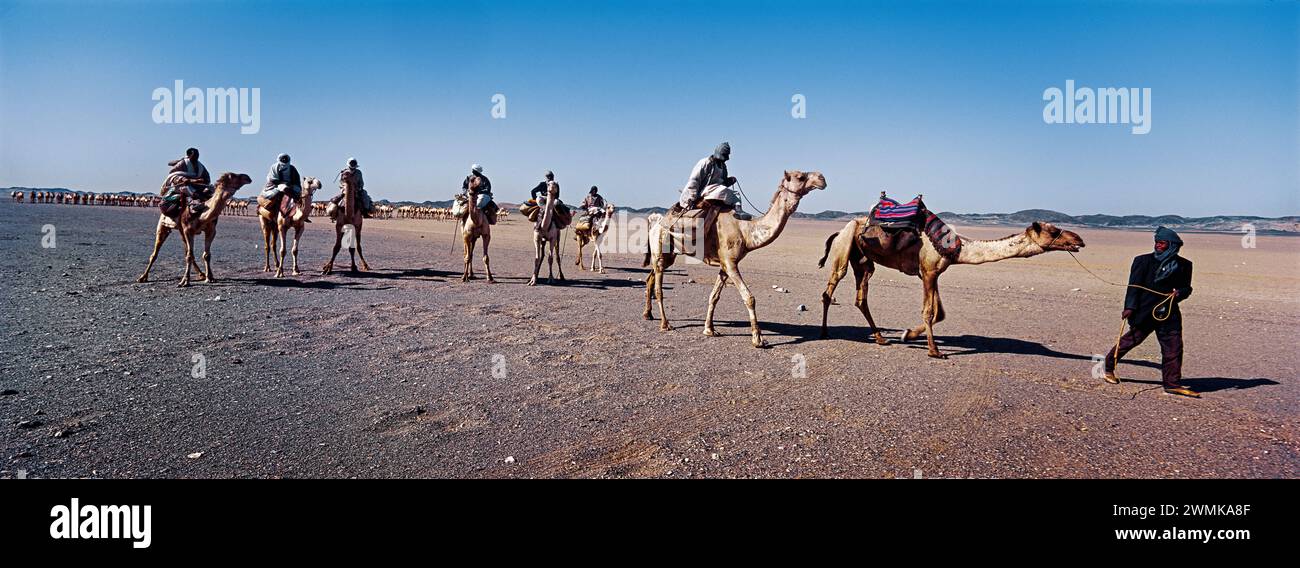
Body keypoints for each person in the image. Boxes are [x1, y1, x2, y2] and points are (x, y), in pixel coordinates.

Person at [1102, 226, 1198, 398]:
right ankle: (1108, 368)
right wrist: (1129, 307)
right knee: (1130, 342)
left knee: (1174, 348)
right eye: (1156, 242)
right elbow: (1133, 286)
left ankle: (1172, 383)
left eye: (1162, 243)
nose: (1158, 245)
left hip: (1168, 312)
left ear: (1172, 245)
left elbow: (1187, 288)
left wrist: (1179, 293)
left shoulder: (1185, 265)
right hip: (1144, 311)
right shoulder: (1142, 261)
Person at [675, 142, 750, 220]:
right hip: (703, 192)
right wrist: (692, 199)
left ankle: (738, 211)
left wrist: (729, 181)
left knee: (735, 193)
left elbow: (722, 183)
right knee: (722, 190)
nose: (727, 158)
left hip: (714, 191)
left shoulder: (723, 167)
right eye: (725, 155)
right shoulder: (705, 163)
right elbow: (694, 181)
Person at [163, 147, 212, 215]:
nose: (196, 157)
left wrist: (202, 181)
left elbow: (207, 178)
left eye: (197, 155)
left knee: (211, 190)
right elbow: (173, 175)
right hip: (181, 186)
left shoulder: (200, 166)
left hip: (198, 187)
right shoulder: (182, 163)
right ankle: (194, 203)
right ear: (189, 155)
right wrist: (183, 179)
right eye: (194, 155)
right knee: (186, 188)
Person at [261, 153, 304, 217]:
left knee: (301, 193)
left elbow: (296, 181)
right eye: (283, 159)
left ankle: (300, 209)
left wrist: (291, 185)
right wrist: (283, 183)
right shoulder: (274, 167)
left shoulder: (292, 169)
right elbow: (273, 180)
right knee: (281, 189)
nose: (284, 160)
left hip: (291, 186)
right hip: (276, 185)